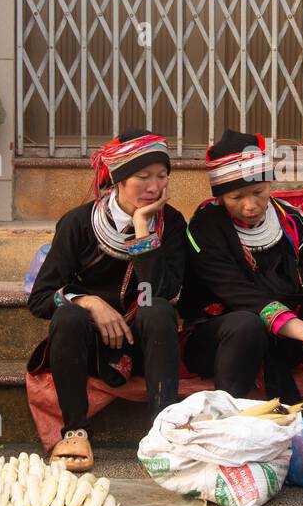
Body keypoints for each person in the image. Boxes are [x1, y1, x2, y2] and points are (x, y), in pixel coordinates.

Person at [179, 130, 303, 436]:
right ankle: (230, 430)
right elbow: (243, 297)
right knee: (245, 323)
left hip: (285, 336)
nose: (250, 205)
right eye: (236, 197)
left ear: (269, 183)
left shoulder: (293, 221)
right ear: (219, 197)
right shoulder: (205, 228)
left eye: (258, 191)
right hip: (222, 338)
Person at [26, 129, 185, 471]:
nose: (154, 187)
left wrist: (143, 229)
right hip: (92, 348)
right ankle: (74, 431)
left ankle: (162, 431)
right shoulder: (78, 224)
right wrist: (90, 303)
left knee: (155, 309)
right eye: (143, 177)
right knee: (67, 317)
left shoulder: (170, 223)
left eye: (162, 176)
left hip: (145, 344)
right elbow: (40, 298)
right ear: (118, 180)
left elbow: (163, 289)